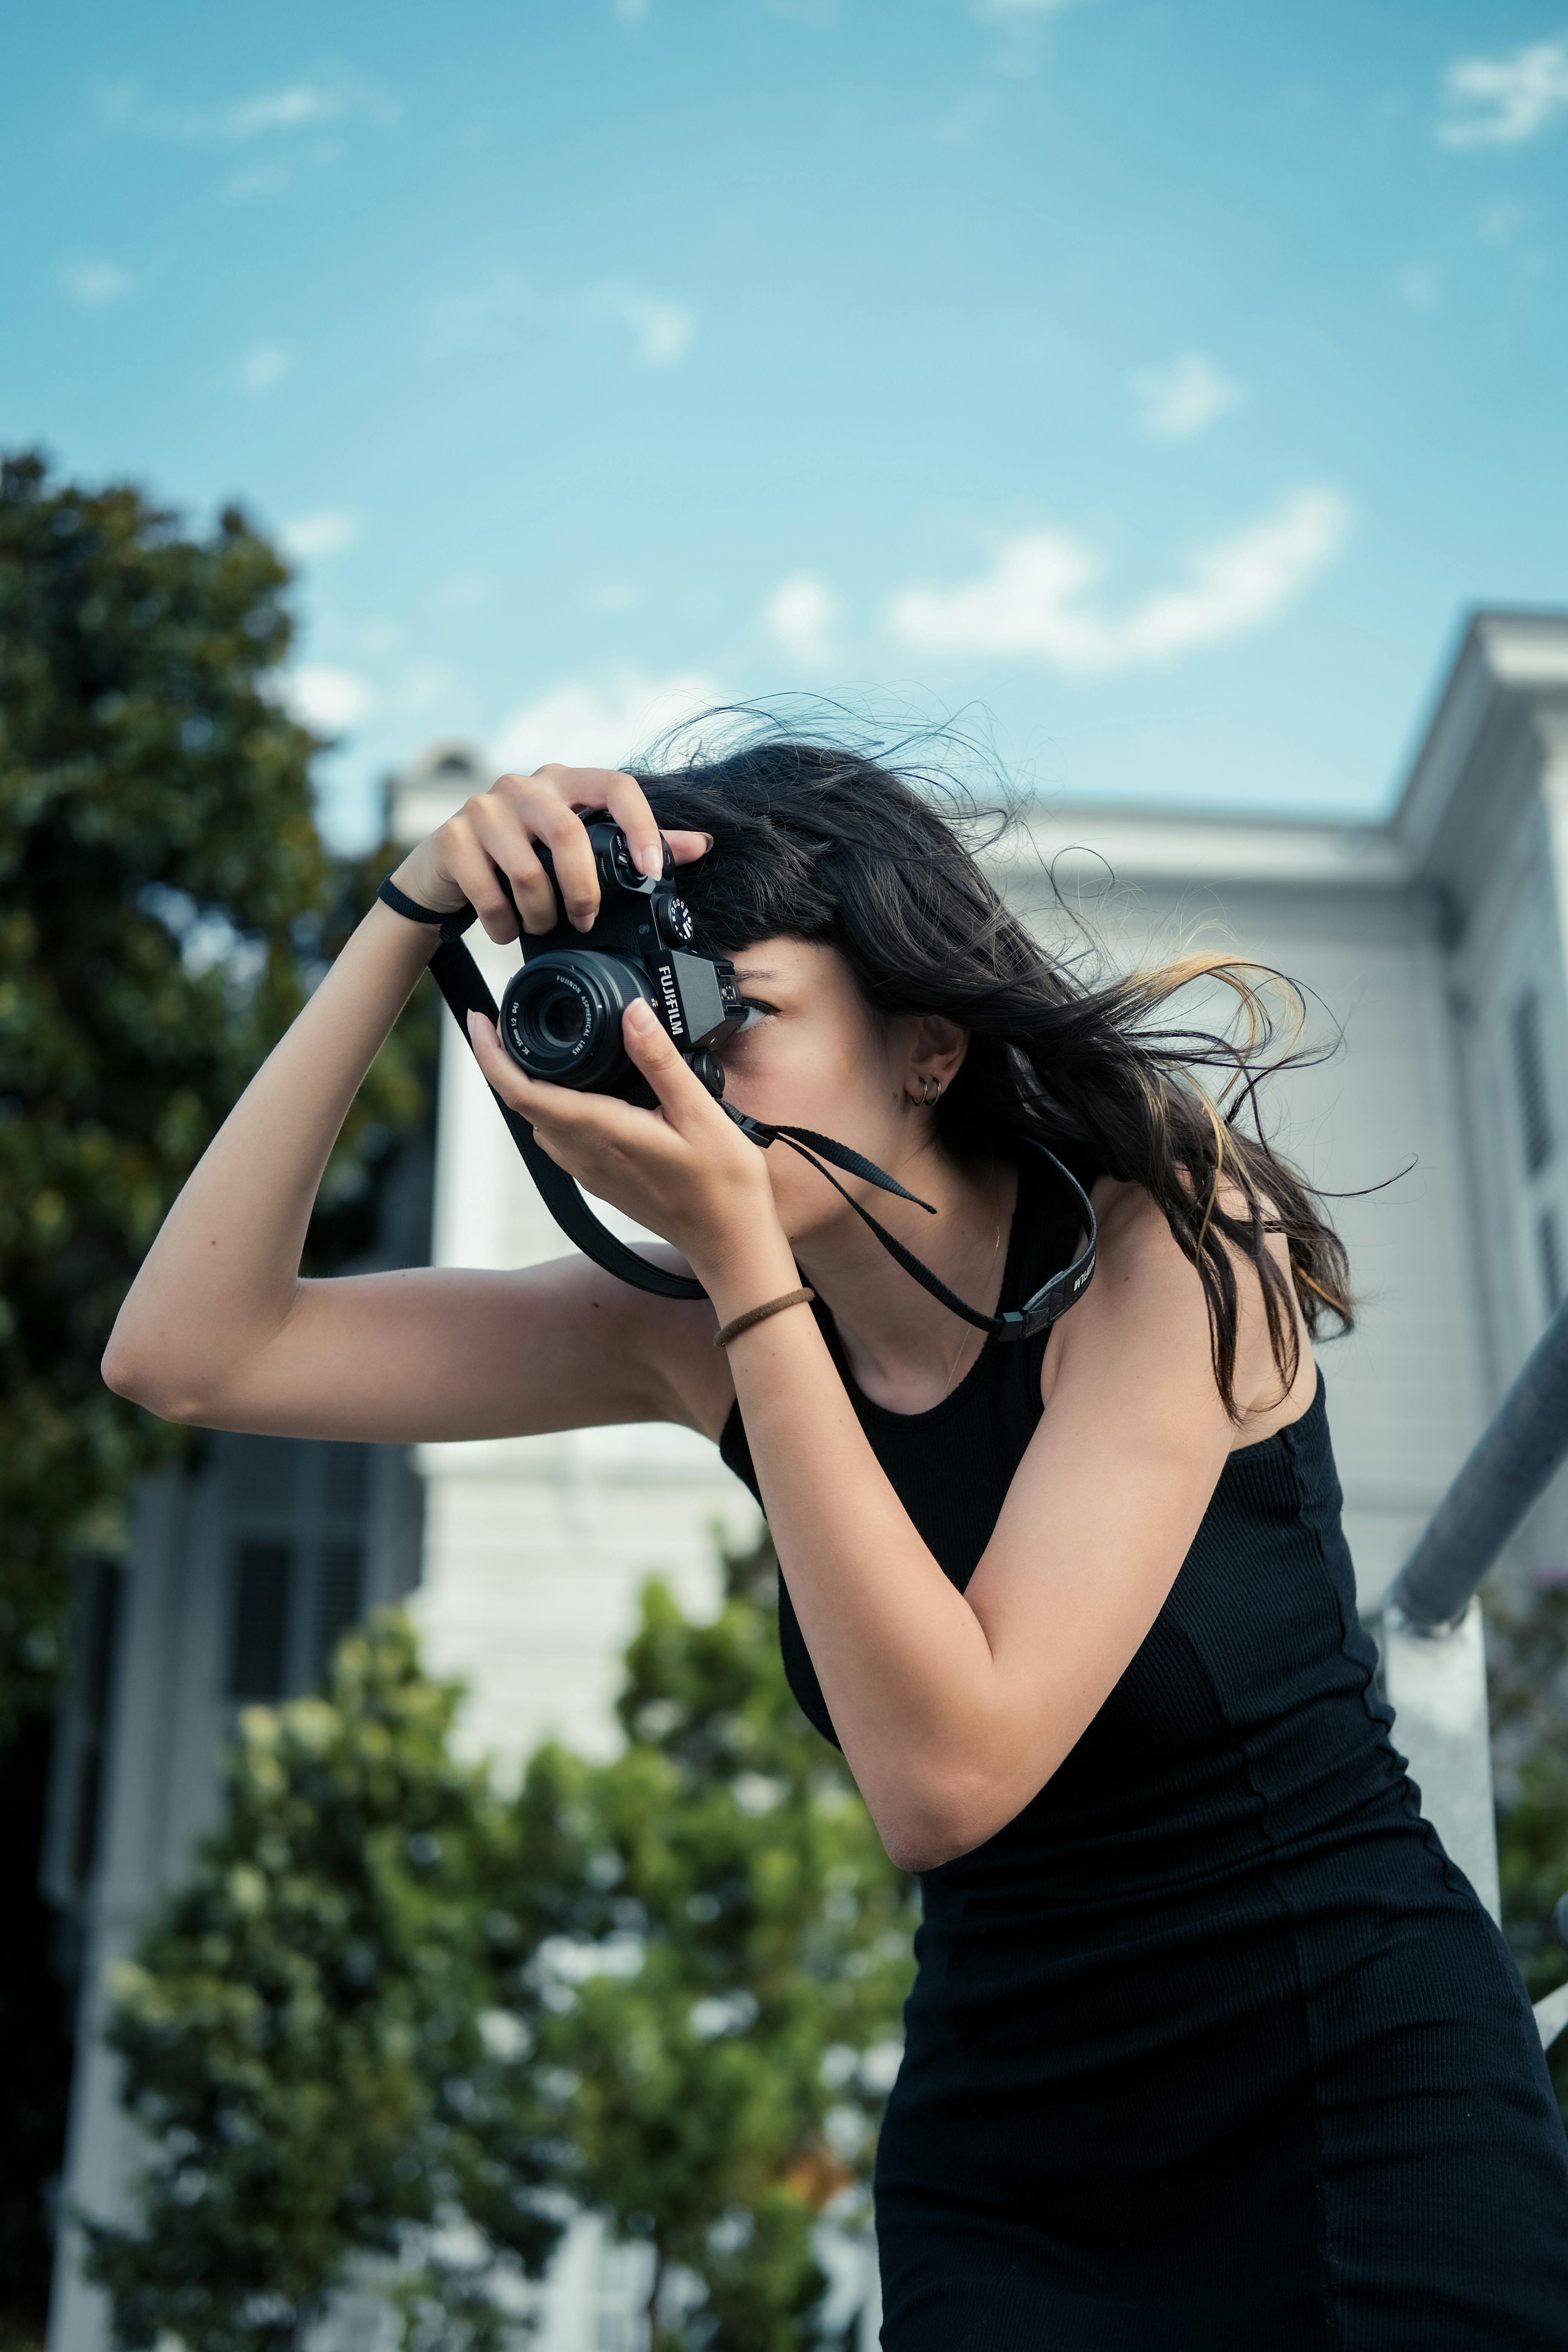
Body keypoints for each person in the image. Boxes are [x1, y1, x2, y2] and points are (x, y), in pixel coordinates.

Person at [104, 743, 1568, 2349]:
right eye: (652, 1012)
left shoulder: (1169, 1236)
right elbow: (192, 1355)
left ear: (928, 1046)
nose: (683, 1066)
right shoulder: (689, 1322)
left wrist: (744, 1268)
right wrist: (405, 919)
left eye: (734, 1012)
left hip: (1348, 2083)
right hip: (1014, 2166)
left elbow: (948, 1777)